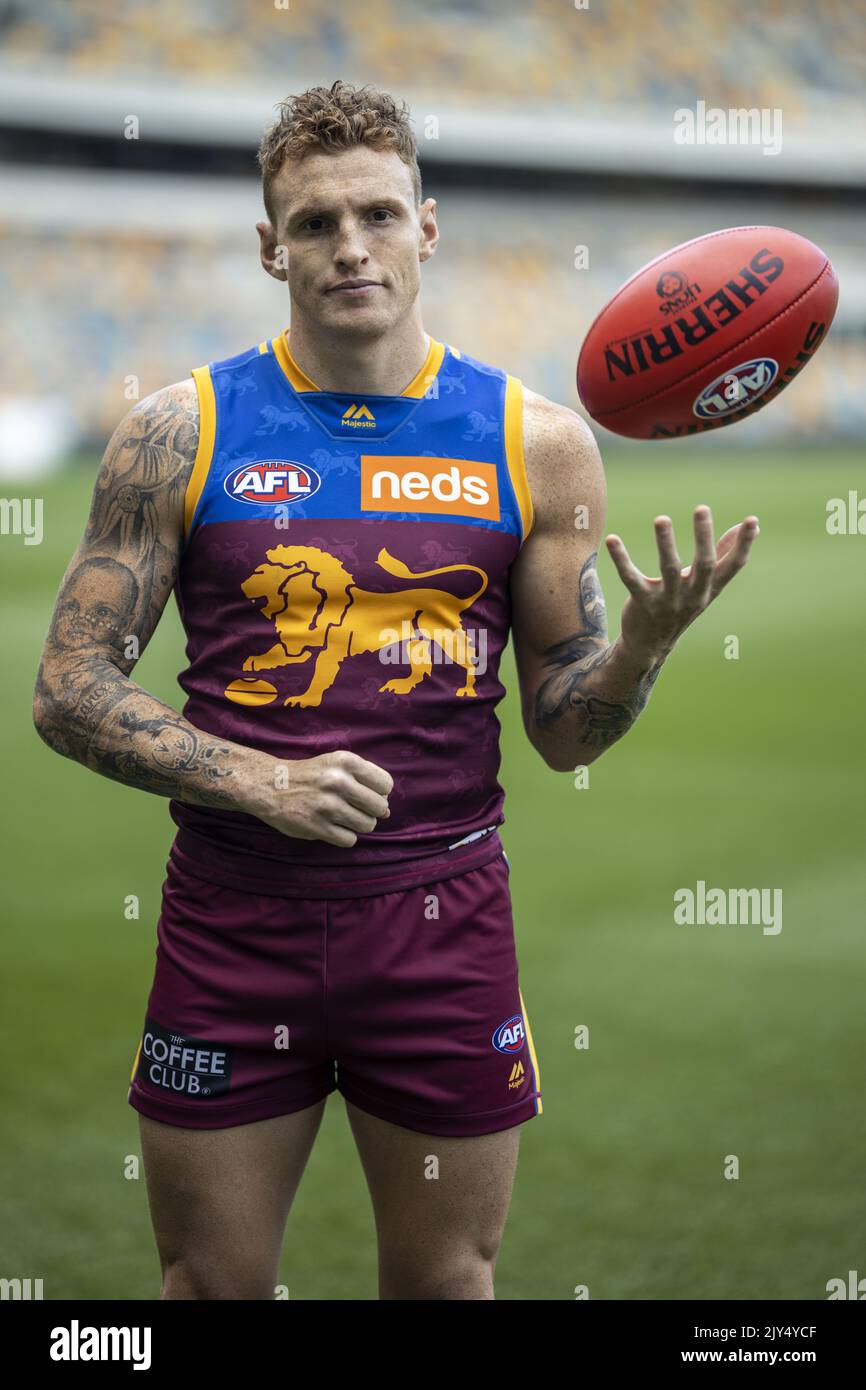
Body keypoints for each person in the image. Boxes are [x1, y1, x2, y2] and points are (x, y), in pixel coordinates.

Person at [33, 80, 759, 1300]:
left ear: (427, 226)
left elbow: (565, 732)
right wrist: (256, 778)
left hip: (441, 921)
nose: (348, 247)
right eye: (312, 224)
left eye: (376, 213)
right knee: (207, 1289)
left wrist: (636, 650)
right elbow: (66, 687)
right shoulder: (180, 429)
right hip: (231, 920)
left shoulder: (535, 441)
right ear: (270, 248)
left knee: (445, 1286)